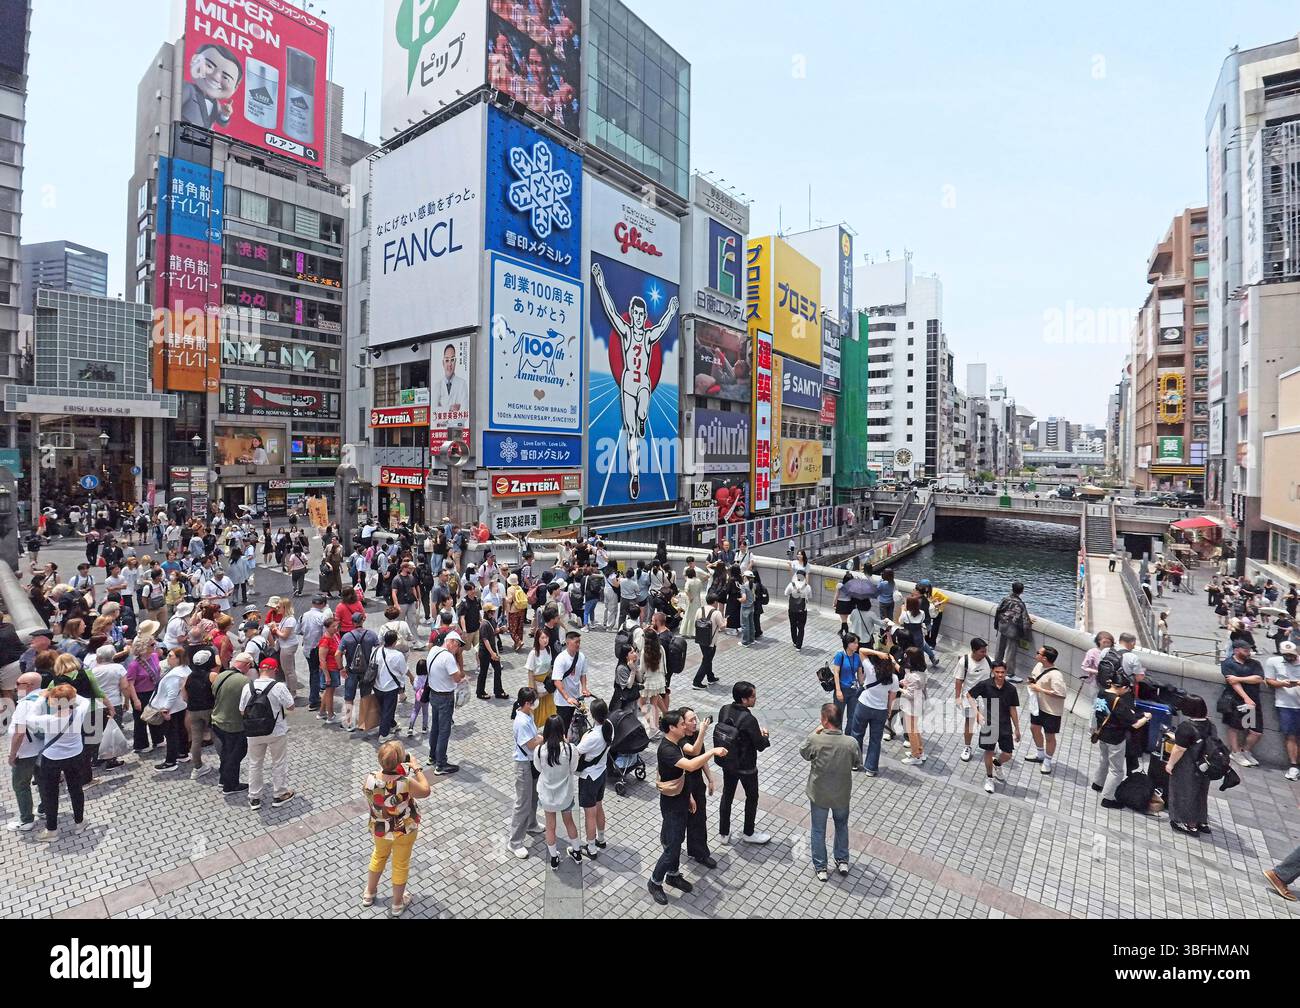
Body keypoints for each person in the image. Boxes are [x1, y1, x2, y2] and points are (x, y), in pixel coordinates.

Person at [648, 709, 727, 907]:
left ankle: (673, 875)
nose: (686, 726)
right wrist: (711, 752)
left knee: (676, 840)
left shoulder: (675, 743)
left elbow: (681, 774)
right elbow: (690, 766)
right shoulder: (667, 749)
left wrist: (689, 796)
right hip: (672, 804)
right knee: (672, 845)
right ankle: (655, 881)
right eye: (683, 724)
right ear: (672, 728)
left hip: (681, 799)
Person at [362, 740, 430, 917]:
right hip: (403, 830)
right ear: (400, 761)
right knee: (400, 864)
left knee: (379, 855)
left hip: (380, 828)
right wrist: (416, 768)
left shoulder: (370, 778)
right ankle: (397, 904)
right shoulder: (405, 782)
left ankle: (369, 893)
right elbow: (425, 790)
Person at [800, 702, 861, 881]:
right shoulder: (850, 743)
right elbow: (857, 763)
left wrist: (816, 731)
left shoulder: (816, 740)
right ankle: (842, 860)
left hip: (819, 793)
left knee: (818, 830)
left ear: (825, 720)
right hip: (841, 793)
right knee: (841, 825)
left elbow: (803, 752)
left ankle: (821, 867)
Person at [27, 682, 91, 841]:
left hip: (52, 758)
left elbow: (29, 717)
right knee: (76, 789)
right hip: (75, 754)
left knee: (50, 793)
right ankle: (79, 822)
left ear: (53, 702)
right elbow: (85, 701)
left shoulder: (47, 719)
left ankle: (52, 830)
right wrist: (70, 695)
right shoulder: (79, 712)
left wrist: (42, 698)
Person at [716, 681, 772, 845]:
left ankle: (724, 833)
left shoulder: (724, 709)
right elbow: (760, 745)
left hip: (728, 761)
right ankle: (748, 832)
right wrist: (765, 736)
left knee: (727, 795)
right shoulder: (749, 719)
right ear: (744, 699)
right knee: (752, 797)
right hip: (746, 765)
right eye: (753, 696)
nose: (755, 699)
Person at [241, 657, 295, 810]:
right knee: (278, 762)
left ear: (260, 670)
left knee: (255, 763)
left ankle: (254, 798)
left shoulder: (248, 687)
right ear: (274, 670)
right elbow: (291, 706)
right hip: (276, 730)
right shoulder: (278, 686)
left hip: (253, 732)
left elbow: (241, 710)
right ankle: (279, 794)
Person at [1091, 672, 1150, 809]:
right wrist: (1146, 718)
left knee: (1103, 760)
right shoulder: (1118, 701)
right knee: (1116, 770)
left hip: (1102, 734)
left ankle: (1098, 783)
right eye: (1127, 688)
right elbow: (1134, 724)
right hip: (1115, 738)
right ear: (1122, 687)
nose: (1128, 691)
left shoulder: (1101, 693)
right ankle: (1108, 797)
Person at [532, 714, 583, 869]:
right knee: (569, 822)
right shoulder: (570, 749)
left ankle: (554, 858)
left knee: (550, 825)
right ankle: (577, 852)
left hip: (547, 795)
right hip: (565, 794)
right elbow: (573, 769)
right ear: (562, 729)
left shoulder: (540, 750)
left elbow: (538, 768)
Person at [968, 660, 1022, 795]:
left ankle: (997, 764)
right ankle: (989, 778)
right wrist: (978, 714)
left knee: (1008, 754)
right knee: (989, 752)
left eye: (1002, 672)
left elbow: (1013, 709)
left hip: (1005, 725)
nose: (1000, 675)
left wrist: (1017, 728)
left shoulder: (1011, 689)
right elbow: (969, 695)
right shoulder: (985, 685)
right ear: (992, 671)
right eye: (997, 672)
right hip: (989, 724)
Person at [1164, 695, 1215, 835]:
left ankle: (1188, 824)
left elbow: (1179, 749)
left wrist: (1170, 764)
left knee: (1185, 793)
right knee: (1201, 793)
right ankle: (1202, 821)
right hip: (1206, 765)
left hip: (1188, 767)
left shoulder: (1186, 727)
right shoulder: (1210, 725)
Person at [508, 687, 545, 858]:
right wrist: (541, 739)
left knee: (533, 796)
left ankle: (531, 823)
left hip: (532, 762)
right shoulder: (521, 721)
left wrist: (537, 738)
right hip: (523, 765)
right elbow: (531, 743)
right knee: (523, 803)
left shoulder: (528, 715)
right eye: (534, 700)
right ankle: (515, 841)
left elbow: (534, 737)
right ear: (528, 703)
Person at [6, 671, 45, 832]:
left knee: (21, 785)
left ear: (28, 686)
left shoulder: (25, 704)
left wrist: (12, 754)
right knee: (42, 781)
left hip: (26, 752)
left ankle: (26, 820)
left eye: (18, 684)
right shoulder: (45, 697)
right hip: (43, 748)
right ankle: (45, 809)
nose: (15, 688)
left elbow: (19, 732)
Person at [850, 649, 899, 776]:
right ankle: (871, 768)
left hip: (864, 706)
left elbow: (861, 651)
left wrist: (877, 653)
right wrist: (888, 711)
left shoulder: (871, 670)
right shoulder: (894, 678)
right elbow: (892, 698)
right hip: (880, 710)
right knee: (875, 739)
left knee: (857, 734)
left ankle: (855, 763)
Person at [210, 651, 252, 794]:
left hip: (217, 721)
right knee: (235, 754)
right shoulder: (245, 682)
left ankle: (224, 779)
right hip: (234, 724)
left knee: (226, 752)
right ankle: (230, 785)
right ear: (246, 665)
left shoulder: (220, 675)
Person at [425, 630, 466, 775]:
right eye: (457, 646)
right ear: (451, 642)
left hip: (434, 694)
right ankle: (441, 764)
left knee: (435, 727)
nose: (457, 649)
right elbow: (457, 678)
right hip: (445, 697)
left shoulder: (434, 650)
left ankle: (432, 756)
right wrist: (462, 677)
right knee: (444, 731)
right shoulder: (448, 657)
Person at [576, 697, 612, 859]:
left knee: (589, 813)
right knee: (599, 806)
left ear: (592, 714)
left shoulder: (592, 737)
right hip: (601, 773)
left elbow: (577, 752)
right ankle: (601, 839)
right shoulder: (609, 727)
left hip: (588, 777)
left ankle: (591, 848)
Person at [1220, 640, 1265, 767]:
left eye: (1249, 650)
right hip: (1237, 700)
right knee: (1235, 727)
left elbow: (1258, 678)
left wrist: (1239, 678)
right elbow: (1232, 683)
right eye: (1245, 650)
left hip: (1253, 701)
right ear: (1236, 650)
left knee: (1256, 731)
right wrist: (1245, 697)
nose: (1248, 652)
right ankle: (1235, 752)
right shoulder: (1228, 663)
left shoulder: (1254, 663)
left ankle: (1245, 750)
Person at [1025, 645, 1067, 774]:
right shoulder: (1038, 666)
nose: (1036, 653)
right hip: (1038, 705)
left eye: (1038, 653)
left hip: (1051, 711)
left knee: (1049, 736)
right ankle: (1040, 753)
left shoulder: (1056, 675)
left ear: (1044, 658)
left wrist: (1040, 690)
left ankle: (1047, 761)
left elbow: (1061, 694)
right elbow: (1034, 677)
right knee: (1034, 728)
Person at [1264, 640, 1300, 780]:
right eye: (1287, 655)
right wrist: (1282, 683)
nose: (1290, 657)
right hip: (1286, 704)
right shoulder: (1273, 662)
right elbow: (1269, 681)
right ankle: (1293, 765)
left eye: (1292, 655)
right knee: (1290, 735)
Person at [954, 637, 992, 762]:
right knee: (969, 723)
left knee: (988, 723)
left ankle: (989, 747)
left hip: (987, 697)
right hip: (970, 697)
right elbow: (959, 680)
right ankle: (967, 747)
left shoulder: (988, 660)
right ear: (974, 651)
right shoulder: (964, 662)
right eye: (982, 651)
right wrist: (958, 697)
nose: (985, 653)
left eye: (985, 650)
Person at [153, 647, 191, 771]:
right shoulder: (186, 670)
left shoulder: (174, 674)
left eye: (170, 656)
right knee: (181, 730)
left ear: (178, 659)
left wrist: (165, 709)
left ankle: (170, 762)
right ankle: (183, 753)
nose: (168, 658)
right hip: (181, 705)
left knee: (171, 734)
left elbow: (172, 693)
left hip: (172, 708)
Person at [182, 647, 217, 780]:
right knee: (217, 737)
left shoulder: (188, 677)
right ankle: (225, 763)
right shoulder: (212, 676)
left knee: (196, 740)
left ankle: (197, 767)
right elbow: (218, 693)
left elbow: (184, 696)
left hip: (193, 711)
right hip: (210, 710)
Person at [369, 630, 407, 740]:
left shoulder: (375, 651)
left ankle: (392, 724)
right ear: (394, 642)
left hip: (376, 685)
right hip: (390, 687)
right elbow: (403, 671)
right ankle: (383, 734)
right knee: (388, 710)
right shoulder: (398, 655)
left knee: (383, 708)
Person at [992, 582, 1033, 682]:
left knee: (999, 649)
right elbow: (1025, 620)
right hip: (1013, 631)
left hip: (1002, 626)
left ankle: (996, 668)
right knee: (1011, 652)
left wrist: (997, 624)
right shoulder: (1020, 604)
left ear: (1012, 589)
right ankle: (1009, 674)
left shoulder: (1005, 599)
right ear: (1022, 591)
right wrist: (1026, 633)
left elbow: (998, 610)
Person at [551, 631, 590, 732]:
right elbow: (557, 681)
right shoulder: (561, 659)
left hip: (576, 699)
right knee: (563, 727)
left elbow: (583, 674)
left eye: (579, 642)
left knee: (576, 724)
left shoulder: (581, 657)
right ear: (568, 643)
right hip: (563, 701)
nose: (578, 645)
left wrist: (584, 688)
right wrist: (567, 698)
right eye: (576, 642)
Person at [476, 603, 507, 699]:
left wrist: (501, 630)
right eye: (493, 611)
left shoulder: (492, 620)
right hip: (485, 652)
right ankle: (480, 692)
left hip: (492, 650)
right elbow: (485, 640)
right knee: (483, 672)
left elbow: (493, 631)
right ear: (488, 612)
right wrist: (492, 653)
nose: (494, 612)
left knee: (497, 669)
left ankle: (498, 691)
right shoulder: (484, 624)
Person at [785, 570, 812, 650]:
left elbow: (785, 593)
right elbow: (810, 596)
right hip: (802, 610)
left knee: (793, 626)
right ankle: (799, 646)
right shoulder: (807, 586)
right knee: (801, 628)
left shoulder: (791, 584)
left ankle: (794, 641)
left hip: (792, 609)